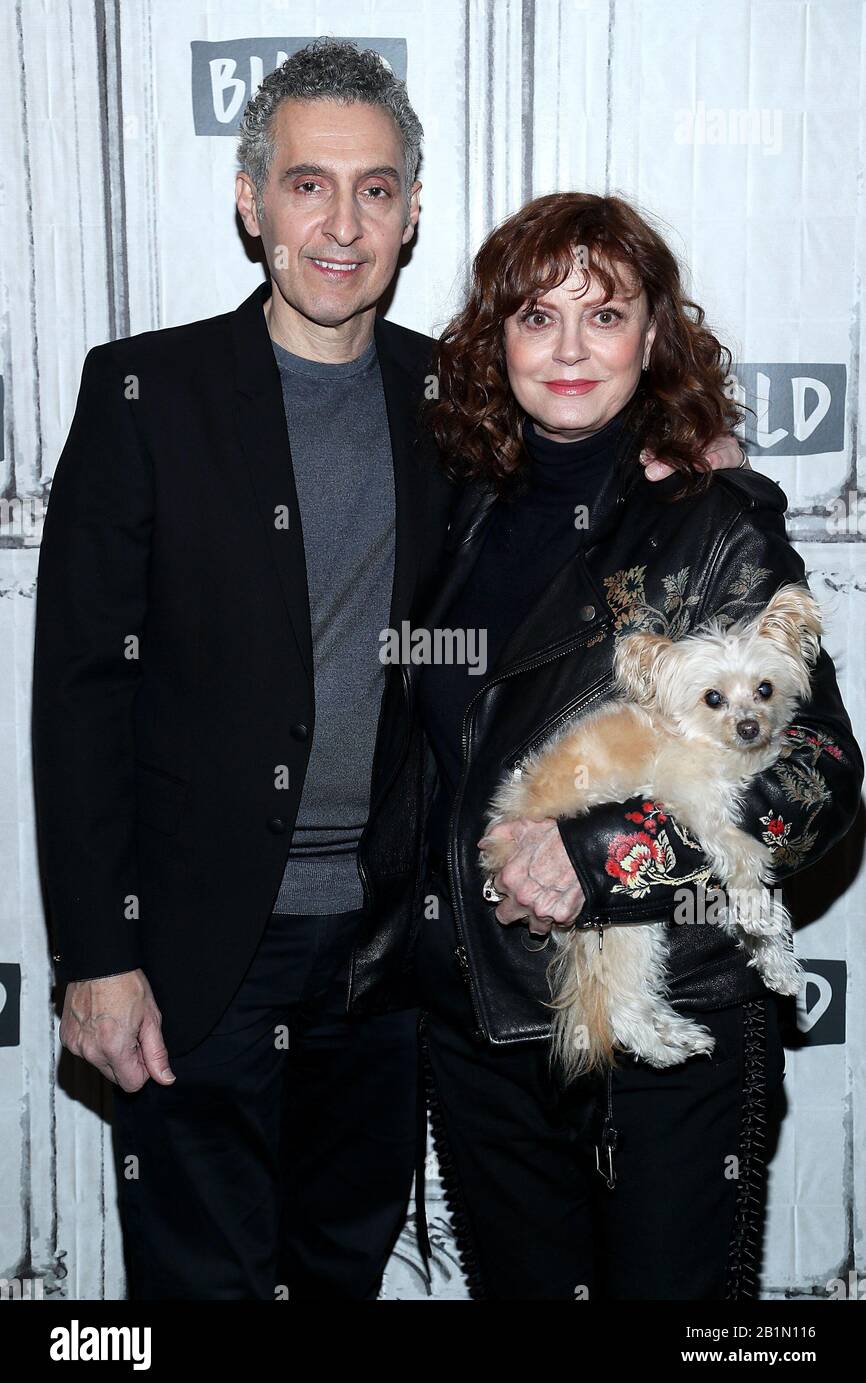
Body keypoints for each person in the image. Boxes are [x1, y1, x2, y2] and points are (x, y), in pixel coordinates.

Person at [31, 40, 751, 1301]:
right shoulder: (144, 394)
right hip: (197, 949)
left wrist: (714, 466)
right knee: (195, 1286)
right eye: (307, 185)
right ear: (250, 202)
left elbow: (603, 453)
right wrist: (95, 954)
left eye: (375, 190)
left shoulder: (455, 400)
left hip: (391, 956)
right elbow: (79, 697)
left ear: (412, 211)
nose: (341, 224)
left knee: (340, 1273)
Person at [412, 191, 864, 1300]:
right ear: (494, 339)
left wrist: (604, 851)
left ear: (650, 335)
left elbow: (818, 778)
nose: (567, 347)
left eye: (602, 314)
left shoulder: (715, 521)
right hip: (481, 1027)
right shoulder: (453, 508)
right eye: (534, 316)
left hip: (676, 1020)